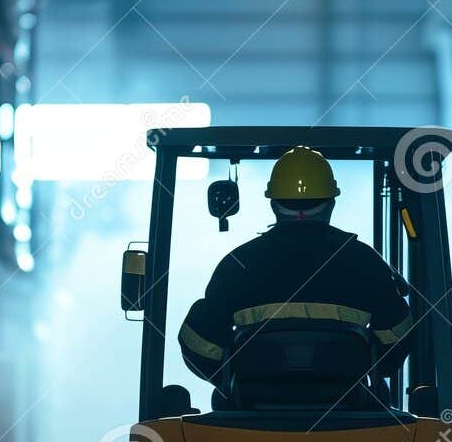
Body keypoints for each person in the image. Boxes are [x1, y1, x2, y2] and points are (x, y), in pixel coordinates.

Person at [177, 146, 413, 404]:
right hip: (349, 410)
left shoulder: (237, 264)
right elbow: (397, 339)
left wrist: (230, 374)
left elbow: (199, 344)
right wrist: (371, 365)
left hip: (253, 412)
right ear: (331, 203)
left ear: (273, 204)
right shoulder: (365, 262)